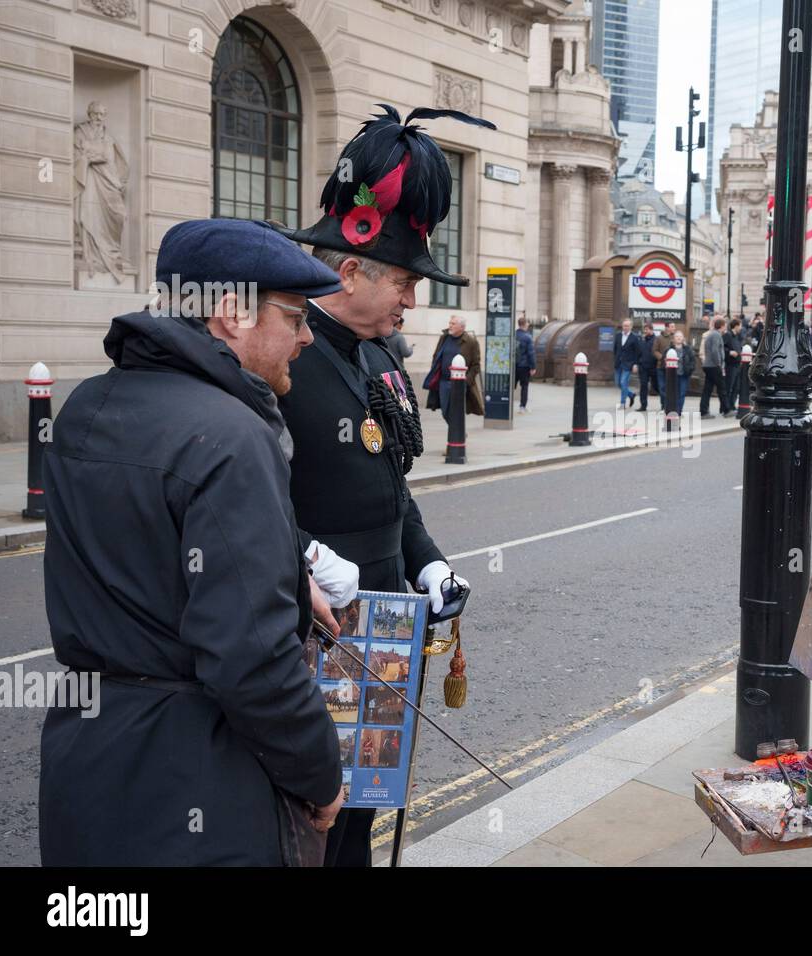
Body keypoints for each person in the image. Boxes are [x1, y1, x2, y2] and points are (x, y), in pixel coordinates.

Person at [40, 218, 347, 866]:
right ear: (232, 313)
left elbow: (148, 548)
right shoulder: (234, 437)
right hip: (198, 788)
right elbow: (251, 662)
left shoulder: (83, 409)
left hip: (85, 772)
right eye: (294, 316)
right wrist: (322, 776)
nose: (307, 337)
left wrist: (287, 575)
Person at [273, 103, 477, 866]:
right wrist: (303, 554)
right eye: (402, 282)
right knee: (313, 827)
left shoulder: (382, 357)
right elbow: (236, 497)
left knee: (365, 819)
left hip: (389, 627)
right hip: (317, 634)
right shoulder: (283, 358)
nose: (411, 301)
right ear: (350, 268)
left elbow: (394, 486)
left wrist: (426, 559)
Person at [426, 314, 484, 423]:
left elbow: (476, 365)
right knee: (445, 410)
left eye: (453, 324)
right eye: (450, 323)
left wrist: (467, 380)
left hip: (460, 383)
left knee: (457, 410)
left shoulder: (471, 342)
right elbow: (436, 356)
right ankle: (457, 431)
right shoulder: (444, 338)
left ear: (462, 327)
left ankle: (458, 433)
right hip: (443, 381)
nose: (450, 326)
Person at [699, 317, 728, 418]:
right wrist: (719, 364)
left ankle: (703, 411)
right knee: (722, 388)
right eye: (725, 325)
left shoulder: (711, 334)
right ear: (722, 326)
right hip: (714, 366)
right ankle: (726, 410)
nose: (726, 327)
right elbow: (715, 350)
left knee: (707, 389)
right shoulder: (716, 335)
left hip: (708, 365)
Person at [612, 317, 642, 408]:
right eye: (624, 326)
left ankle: (622, 403)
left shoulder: (634, 338)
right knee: (618, 384)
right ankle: (631, 394)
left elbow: (637, 352)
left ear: (631, 327)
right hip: (618, 363)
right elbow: (615, 349)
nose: (626, 327)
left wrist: (635, 364)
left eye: (628, 326)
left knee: (623, 382)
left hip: (628, 364)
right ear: (622, 326)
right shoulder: (618, 336)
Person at [665, 329, 696, 412]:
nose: (679, 338)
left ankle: (679, 411)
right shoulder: (669, 349)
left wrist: (690, 369)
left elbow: (693, 360)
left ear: (683, 338)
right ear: (674, 338)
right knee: (674, 393)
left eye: (680, 336)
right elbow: (663, 360)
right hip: (673, 376)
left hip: (684, 375)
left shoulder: (687, 349)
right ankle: (673, 409)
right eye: (677, 336)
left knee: (682, 394)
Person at [653, 319, 677, 407]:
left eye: (674, 326)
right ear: (667, 328)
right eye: (672, 327)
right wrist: (663, 358)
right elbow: (655, 351)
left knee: (671, 387)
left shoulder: (676, 337)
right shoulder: (659, 338)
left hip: (673, 366)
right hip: (661, 366)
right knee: (662, 386)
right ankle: (664, 403)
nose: (674, 328)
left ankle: (668, 404)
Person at [514, 316, 536, 413]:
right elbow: (531, 353)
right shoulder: (528, 337)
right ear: (525, 324)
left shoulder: (513, 335)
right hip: (524, 365)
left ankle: (507, 405)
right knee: (524, 386)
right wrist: (533, 367)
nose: (528, 325)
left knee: (510, 386)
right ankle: (522, 407)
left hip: (514, 365)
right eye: (527, 323)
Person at [723, 317, 743, 413]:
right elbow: (722, 348)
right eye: (740, 325)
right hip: (730, 364)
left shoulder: (737, 337)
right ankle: (726, 407)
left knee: (736, 387)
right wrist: (730, 352)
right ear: (736, 326)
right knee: (729, 386)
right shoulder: (727, 335)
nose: (741, 328)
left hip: (737, 364)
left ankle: (732, 405)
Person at [638, 322, 658, 410]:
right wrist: (638, 362)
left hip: (654, 367)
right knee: (643, 386)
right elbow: (638, 352)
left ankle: (664, 403)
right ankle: (643, 405)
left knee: (657, 386)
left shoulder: (656, 340)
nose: (645, 331)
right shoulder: (642, 340)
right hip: (643, 367)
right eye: (644, 329)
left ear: (651, 330)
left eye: (647, 329)